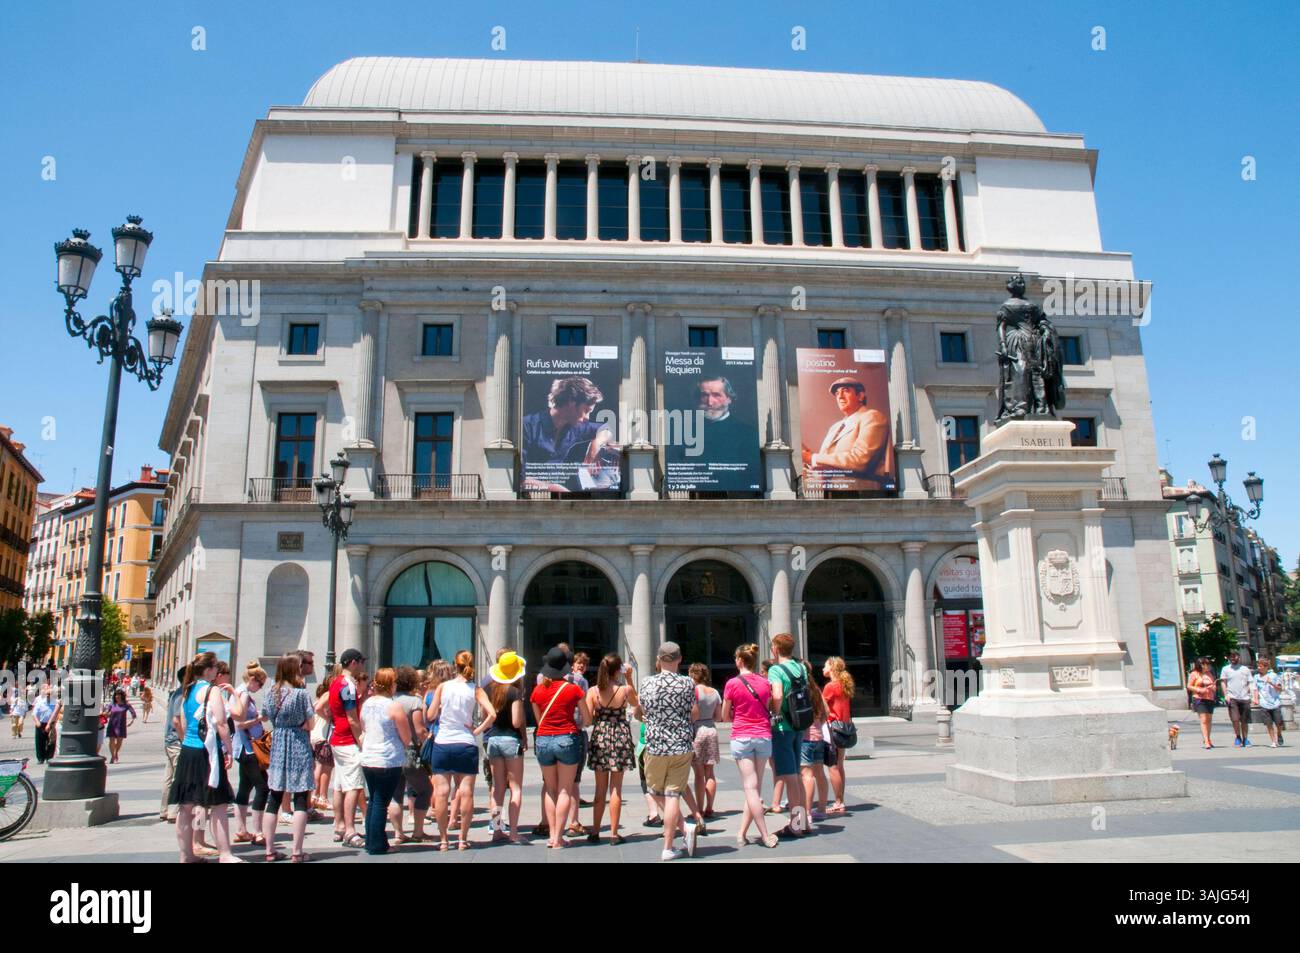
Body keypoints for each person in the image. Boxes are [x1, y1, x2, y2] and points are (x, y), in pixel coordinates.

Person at [168, 652, 243, 863]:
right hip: (207, 752)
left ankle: (186, 855)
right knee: (218, 804)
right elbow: (221, 723)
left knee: (186, 806)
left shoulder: (188, 689)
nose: (217, 672)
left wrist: (187, 742)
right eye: (215, 669)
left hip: (188, 751)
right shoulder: (212, 691)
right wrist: (228, 749)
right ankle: (226, 854)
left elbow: (181, 722)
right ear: (210, 670)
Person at [426, 651, 495, 850]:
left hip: (443, 741)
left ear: (455, 666)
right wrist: (477, 730)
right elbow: (492, 713)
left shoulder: (442, 687)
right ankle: (463, 839)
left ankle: (443, 839)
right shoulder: (475, 689)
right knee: (466, 792)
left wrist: (437, 709)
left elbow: (431, 716)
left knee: (441, 792)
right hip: (466, 742)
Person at [639, 642, 700, 861]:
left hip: (655, 745)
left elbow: (643, 711)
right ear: (679, 659)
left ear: (658, 659)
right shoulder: (687, 683)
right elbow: (694, 713)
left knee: (655, 791)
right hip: (681, 745)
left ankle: (674, 839)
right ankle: (677, 836)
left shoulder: (646, 683)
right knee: (673, 794)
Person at [530, 646, 591, 849]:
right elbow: (587, 719)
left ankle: (550, 835)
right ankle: (558, 837)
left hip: (544, 739)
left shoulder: (537, 691)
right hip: (567, 737)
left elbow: (539, 721)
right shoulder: (574, 689)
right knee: (565, 789)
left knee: (550, 788)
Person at [721, 643, 779, 848]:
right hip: (763, 736)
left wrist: (736, 715)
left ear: (739, 660)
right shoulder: (765, 682)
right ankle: (742, 833)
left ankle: (764, 834)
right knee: (754, 788)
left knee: (750, 788)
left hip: (742, 736)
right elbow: (772, 705)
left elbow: (724, 716)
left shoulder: (732, 684)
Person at [261, 652, 316, 862]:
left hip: (278, 742)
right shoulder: (301, 694)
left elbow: (265, 715)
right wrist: (302, 724)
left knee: (274, 797)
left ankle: (269, 849)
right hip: (298, 742)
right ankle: (296, 851)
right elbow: (311, 722)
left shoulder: (270, 692)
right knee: (301, 798)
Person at [521, 376, 619, 493]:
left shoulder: (575, 425)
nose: (587, 418)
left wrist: (595, 446)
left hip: (557, 497)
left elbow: (605, 429)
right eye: (586, 411)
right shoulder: (526, 426)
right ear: (571, 402)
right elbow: (517, 479)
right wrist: (558, 490)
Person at [586, 653, 640, 845]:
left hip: (601, 735)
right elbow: (636, 705)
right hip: (620, 736)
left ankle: (594, 831)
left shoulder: (593, 691)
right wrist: (630, 678)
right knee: (616, 788)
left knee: (599, 789)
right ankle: (614, 833)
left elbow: (588, 717)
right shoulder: (625, 690)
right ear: (618, 669)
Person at [359, 668, 413, 855]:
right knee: (381, 801)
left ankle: (372, 841)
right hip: (387, 758)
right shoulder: (393, 706)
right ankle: (377, 845)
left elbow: (363, 726)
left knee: (374, 800)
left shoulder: (367, 704)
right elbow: (406, 737)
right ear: (390, 684)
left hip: (369, 757)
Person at [800, 377, 889, 482]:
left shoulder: (872, 417)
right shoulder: (835, 427)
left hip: (859, 490)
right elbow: (825, 461)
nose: (840, 396)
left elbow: (860, 461)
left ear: (860, 396)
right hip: (829, 490)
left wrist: (812, 458)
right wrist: (810, 463)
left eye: (846, 391)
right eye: (837, 393)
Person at [321, 648, 367, 847]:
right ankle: (350, 830)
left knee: (339, 785)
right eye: (361, 662)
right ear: (354, 663)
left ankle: (339, 825)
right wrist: (361, 740)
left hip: (337, 738)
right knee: (354, 786)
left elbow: (324, 708)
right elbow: (352, 718)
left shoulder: (335, 683)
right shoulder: (347, 685)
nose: (363, 666)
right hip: (348, 740)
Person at [767, 633, 809, 837]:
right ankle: (803, 821)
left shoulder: (775, 670)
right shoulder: (800, 667)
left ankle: (795, 824)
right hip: (799, 724)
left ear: (776, 648)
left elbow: (776, 694)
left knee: (790, 777)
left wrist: (774, 712)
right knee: (797, 775)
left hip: (783, 728)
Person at [485, 651, 528, 844]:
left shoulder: (490, 690)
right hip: (511, 740)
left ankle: (496, 830)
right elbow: (517, 721)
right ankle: (513, 832)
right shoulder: (515, 692)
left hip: (493, 739)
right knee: (516, 788)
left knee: (498, 788)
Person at [393, 665, 433, 843]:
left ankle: (398, 833)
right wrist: (429, 739)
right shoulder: (414, 701)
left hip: (392, 752)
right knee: (425, 789)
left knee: (396, 794)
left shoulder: (389, 701)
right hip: (410, 751)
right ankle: (418, 831)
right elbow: (419, 730)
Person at [232, 663, 270, 847]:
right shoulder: (245, 694)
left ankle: (241, 829)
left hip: (242, 747)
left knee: (245, 787)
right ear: (253, 680)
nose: (259, 688)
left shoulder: (238, 692)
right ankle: (258, 831)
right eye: (260, 684)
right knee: (262, 787)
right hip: (248, 748)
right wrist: (259, 719)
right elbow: (239, 723)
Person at [821, 656, 854, 814]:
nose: (823, 668)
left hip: (832, 728)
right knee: (840, 765)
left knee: (832, 766)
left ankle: (838, 801)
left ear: (832, 668)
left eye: (825, 666)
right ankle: (840, 800)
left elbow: (822, 707)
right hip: (844, 728)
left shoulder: (830, 686)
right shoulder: (844, 684)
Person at [799, 660, 831, 821]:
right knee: (820, 774)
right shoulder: (816, 690)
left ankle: (807, 813)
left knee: (806, 776)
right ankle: (822, 808)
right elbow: (826, 712)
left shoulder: (801, 690)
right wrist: (818, 725)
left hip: (805, 738)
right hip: (818, 737)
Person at [688, 663, 721, 819]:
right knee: (710, 772)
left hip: (697, 730)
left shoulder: (694, 691)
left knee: (698, 774)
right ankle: (710, 807)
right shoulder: (714, 692)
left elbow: (692, 714)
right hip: (711, 730)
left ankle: (699, 809)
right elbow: (718, 716)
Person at [159, 666, 188, 822]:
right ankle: (173, 811)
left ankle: (164, 809)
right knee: (178, 775)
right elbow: (177, 721)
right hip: (176, 740)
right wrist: (183, 739)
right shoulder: (181, 695)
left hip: (170, 739)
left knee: (169, 776)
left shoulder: (175, 693)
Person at [1219, 651, 1254, 747]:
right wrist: (1225, 694)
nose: (1233, 658)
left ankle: (1245, 738)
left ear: (1239, 657)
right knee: (1235, 719)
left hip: (1244, 697)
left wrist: (1252, 696)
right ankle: (1238, 736)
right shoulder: (1225, 669)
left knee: (1244, 720)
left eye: (1234, 656)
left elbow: (1250, 682)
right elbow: (1223, 682)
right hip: (1232, 697)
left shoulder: (1245, 669)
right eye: (1231, 657)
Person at [1253, 657, 1285, 748]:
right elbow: (1255, 689)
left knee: (1278, 723)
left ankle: (1279, 734)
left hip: (1275, 703)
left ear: (1266, 667)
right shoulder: (1256, 677)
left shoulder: (1273, 675)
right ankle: (1273, 741)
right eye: (1258, 666)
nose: (1258, 668)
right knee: (1269, 723)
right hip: (1264, 703)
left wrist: (1271, 683)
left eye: (1260, 666)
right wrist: (1255, 699)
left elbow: (1280, 689)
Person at [1188, 657, 1218, 749]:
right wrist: (1199, 689)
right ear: (1201, 665)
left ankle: (1208, 739)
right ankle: (1206, 741)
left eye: (1208, 664)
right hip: (1199, 699)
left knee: (1209, 719)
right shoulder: (1195, 674)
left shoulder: (1209, 674)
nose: (1208, 666)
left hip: (1210, 698)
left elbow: (1214, 685)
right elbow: (1189, 686)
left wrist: (1213, 688)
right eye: (1206, 664)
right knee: (1203, 719)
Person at [105, 688, 137, 764]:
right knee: (111, 741)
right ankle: (112, 756)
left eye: (119, 695)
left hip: (121, 725)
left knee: (119, 741)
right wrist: (105, 713)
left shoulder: (126, 705)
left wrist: (131, 721)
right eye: (116, 695)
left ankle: (116, 752)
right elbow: (106, 712)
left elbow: (133, 713)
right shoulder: (112, 704)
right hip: (112, 724)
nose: (117, 697)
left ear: (122, 696)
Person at [32, 681, 60, 766]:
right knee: (40, 742)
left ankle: (49, 757)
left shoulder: (55, 702)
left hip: (51, 724)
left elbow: (56, 713)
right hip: (41, 724)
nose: (48, 696)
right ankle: (40, 758)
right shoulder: (40, 702)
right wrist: (37, 722)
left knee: (51, 742)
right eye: (47, 694)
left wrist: (53, 723)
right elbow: (34, 713)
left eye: (49, 694)